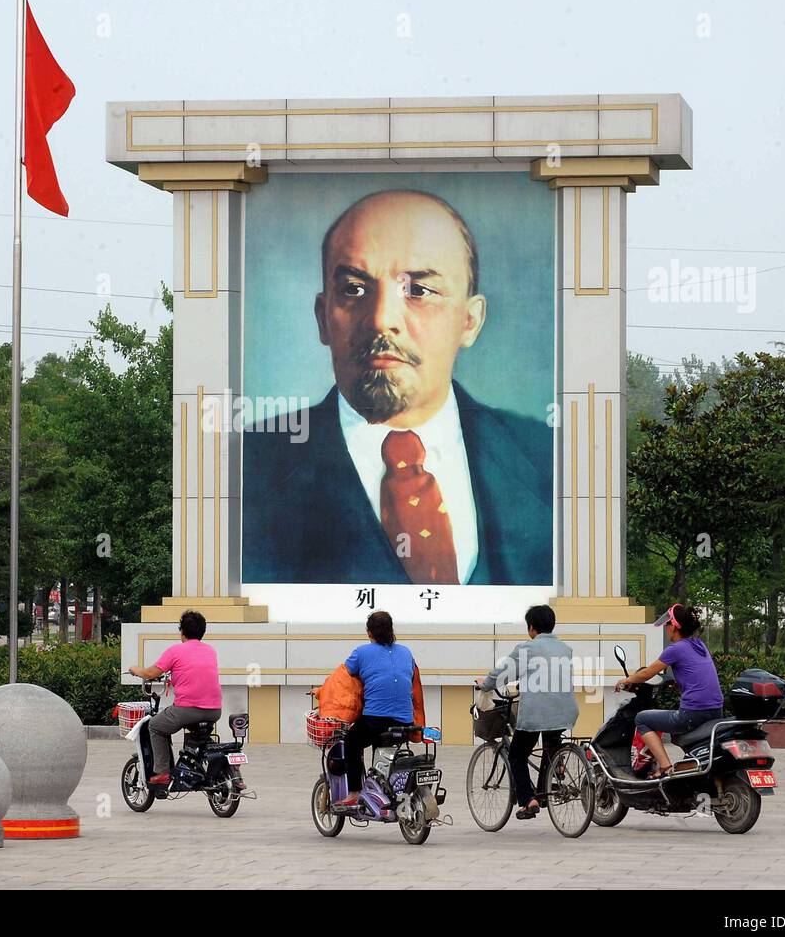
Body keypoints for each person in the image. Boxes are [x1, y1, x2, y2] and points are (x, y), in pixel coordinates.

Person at [243, 189, 550, 586]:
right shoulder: (245, 471)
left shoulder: (547, 461)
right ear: (323, 318)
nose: (381, 319)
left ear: (470, 321)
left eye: (419, 290)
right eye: (354, 289)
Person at [481, 604, 578, 819]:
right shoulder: (565, 649)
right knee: (550, 744)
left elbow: (502, 674)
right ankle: (552, 772)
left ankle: (528, 800)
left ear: (531, 627)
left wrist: (485, 685)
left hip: (538, 713)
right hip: (566, 711)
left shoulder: (526, 649)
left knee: (517, 755)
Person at [615, 603, 724, 779]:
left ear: (674, 626)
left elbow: (647, 673)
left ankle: (665, 767)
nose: (666, 629)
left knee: (642, 719)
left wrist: (625, 681)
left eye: (667, 625)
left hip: (693, 713)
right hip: (715, 711)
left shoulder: (675, 649)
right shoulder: (700, 645)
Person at [127, 610, 222, 785]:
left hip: (187, 710)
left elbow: (151, 673)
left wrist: (135, 670)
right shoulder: (210, 651)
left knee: (155, 726)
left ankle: (162, 773)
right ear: (202, 631)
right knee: (198, 732)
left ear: (182, 632)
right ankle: (196, 764)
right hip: (214, 711)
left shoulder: (176, 651)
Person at [336, 610, 416, 807]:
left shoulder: (361, 652)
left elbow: (342, 680)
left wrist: (322, 691)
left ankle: (355, 792)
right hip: (406, 720)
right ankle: (382, 787)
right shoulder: (406, 652)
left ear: (369, 632)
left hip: (375, 719)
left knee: (352, 741)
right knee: (381, 746)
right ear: (391, 630)